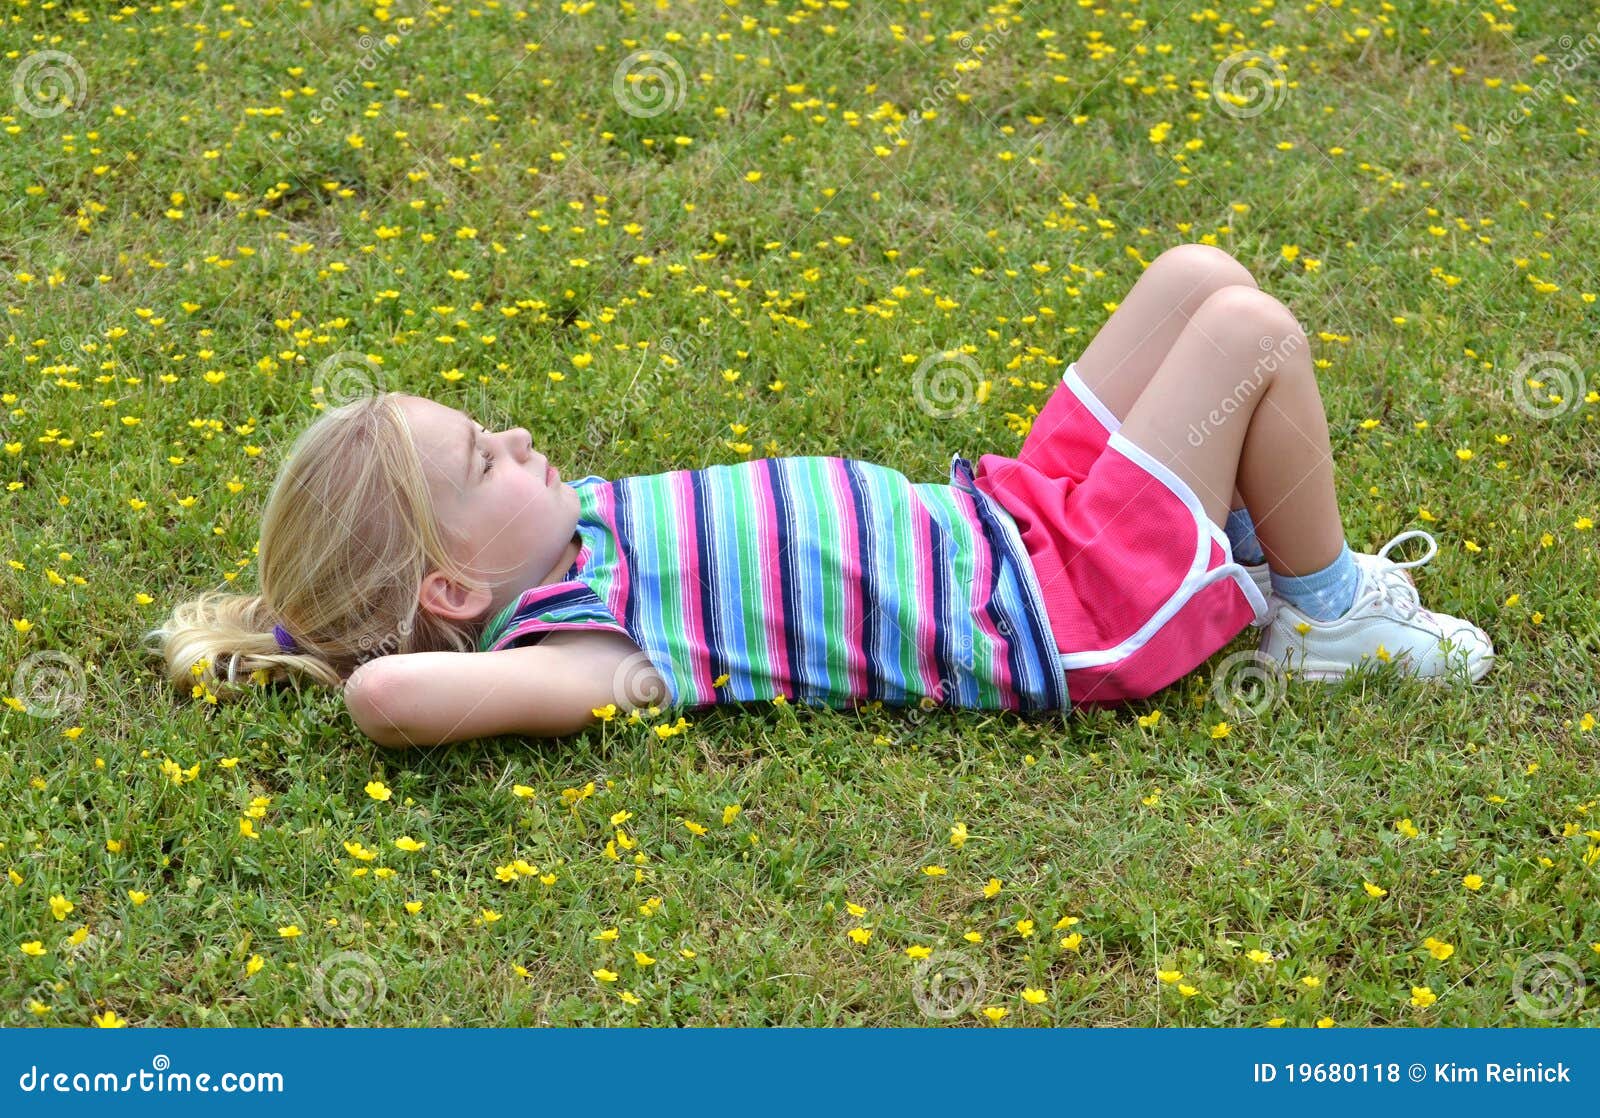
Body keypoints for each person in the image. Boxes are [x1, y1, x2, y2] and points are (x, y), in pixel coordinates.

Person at [146, 244, 1492, 748]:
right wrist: (337, 646)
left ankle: (1244, 547)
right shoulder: (594, 643)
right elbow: (388, 695)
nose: (514, 435)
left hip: (1008, 517)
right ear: (453, 586)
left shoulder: (586, 524)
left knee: (1197, 276)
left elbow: (380, 624)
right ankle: (1321, 613)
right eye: (482, 460)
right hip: (1058, 605)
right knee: (1251, 335)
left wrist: (297, 609)